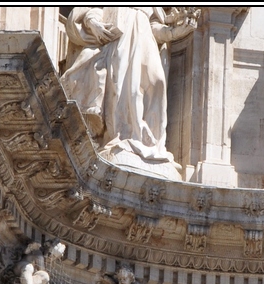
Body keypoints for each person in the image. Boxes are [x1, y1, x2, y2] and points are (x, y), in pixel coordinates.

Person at [60, 7, 198, 179]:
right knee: (127, 87)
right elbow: (93, 10)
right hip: (121, 36)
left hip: (145, 38)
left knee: (157, 81)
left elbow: (155, 27)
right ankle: (123, 135)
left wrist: (173, 33)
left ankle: (151, 142)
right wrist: (93, 23)